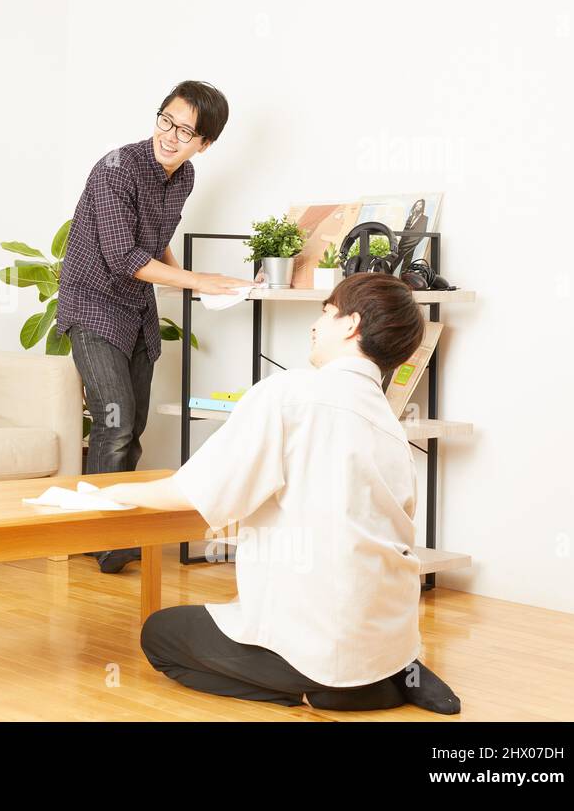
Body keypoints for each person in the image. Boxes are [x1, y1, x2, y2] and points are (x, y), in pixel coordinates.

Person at [99, 273, 461, 713]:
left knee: (159, 634)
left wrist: (111, 491)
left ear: (351, 324)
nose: (315, 324)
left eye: (325, 312)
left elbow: (203, 490)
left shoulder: (288, 393)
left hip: (318, 642)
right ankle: (392, 670)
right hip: (386, 633)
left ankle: (320, 688)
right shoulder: (390, 423)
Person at [55, 81, 247, 574]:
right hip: (92, 302)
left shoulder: (183, 179)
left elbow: (153, 241)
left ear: (204, 144)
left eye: (186, 132)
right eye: (167, 120)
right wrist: (196, 277)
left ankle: (113, 529)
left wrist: (190, 285)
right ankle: (102, 535)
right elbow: (122, 255)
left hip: (135, 309)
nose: (171, 135)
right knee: (114, 421)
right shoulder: (115, 170)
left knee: (134, 425)